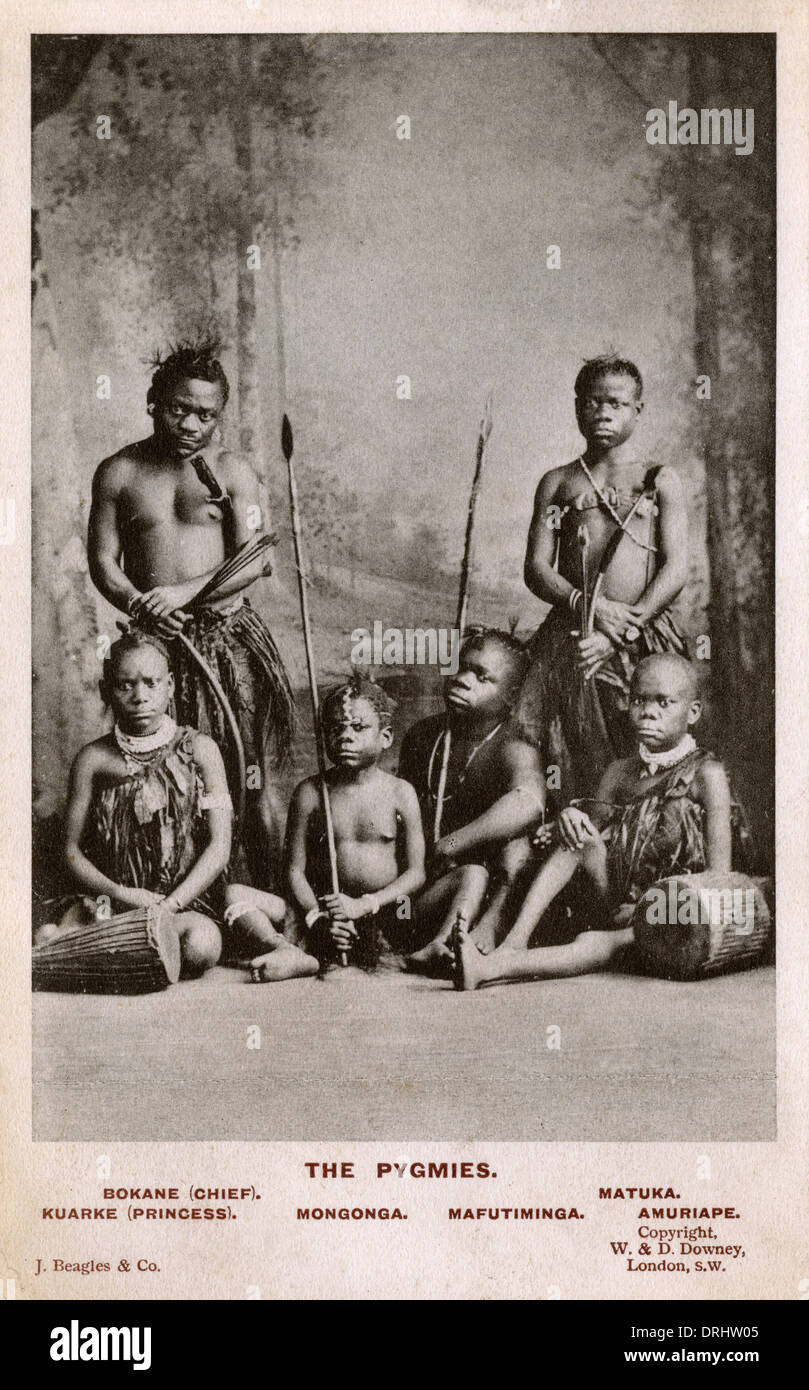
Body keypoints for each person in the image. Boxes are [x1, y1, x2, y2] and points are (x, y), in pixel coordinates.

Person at [87, 333, 294, 885]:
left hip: (227, 638)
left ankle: (275, 907)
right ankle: (184, 903)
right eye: (179, 409)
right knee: (165, 776)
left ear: (218, 418)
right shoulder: (119, 471)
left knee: (249, 773)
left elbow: (257, 560)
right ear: (154, 402)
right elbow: (104, 562)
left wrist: (183, 593)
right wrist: (140, 603)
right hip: (155, 652)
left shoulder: (233, 471)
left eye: (206, 414)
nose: (190, 425)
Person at [453, 653, 753, 990]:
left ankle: (492, 969)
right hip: (614, 898)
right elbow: (590, 844)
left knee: (598, 942)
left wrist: (649, 910)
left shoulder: (706, 775)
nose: (648, 711)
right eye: (639, 700)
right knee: (579, 833)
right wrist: (568, 819)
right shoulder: (619, 772)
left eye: (664, 702)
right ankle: (514, 941)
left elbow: (719, 878)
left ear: (693, 712)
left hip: (675, 917)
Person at [519, 355, 689, 803]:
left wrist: (622, 629)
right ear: (577, 408)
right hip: (572, 638)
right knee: (568, 750)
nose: (601, 413)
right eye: (590, 402)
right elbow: (537, 569)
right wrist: (588, 608)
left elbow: (675, 570)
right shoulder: (558, 483)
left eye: (614, 402)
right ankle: (578, 842)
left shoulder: (659, 480)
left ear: (638, 409)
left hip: (644, 635)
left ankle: (640, 845)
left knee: (646, 743)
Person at [51, 632, 231, 978]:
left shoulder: (202, 750)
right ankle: (107, 947)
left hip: (181, 905)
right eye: (125, 685)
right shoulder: (93, 759)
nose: (140, 697)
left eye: (152, 683)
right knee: (77, 926)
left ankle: (109, 954)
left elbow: (219, 845)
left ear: (171, 686)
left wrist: (169, 905)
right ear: (107, 691)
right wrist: (123, 893)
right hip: (113, 903)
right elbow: (70, 851)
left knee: (201, 945)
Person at [399, 630, 545, 975]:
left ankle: (486, 930)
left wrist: (454, 842)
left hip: (486, 885)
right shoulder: (424, 735)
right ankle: (437, 940)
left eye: (482, 677)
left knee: (520, 846)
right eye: (462, 668)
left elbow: (529, 803)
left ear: (510, 696)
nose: (463, 680)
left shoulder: (515, 744)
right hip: (429, 885)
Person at [284, 674, 426, 971]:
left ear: (385, 737)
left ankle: (430, 948)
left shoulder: (401, 792)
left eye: (359, 727)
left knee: (471, 876)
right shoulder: (310, 793)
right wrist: (318, 918)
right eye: (336, 729)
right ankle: (295, 955)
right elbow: (294, 870)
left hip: (388, 911)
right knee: (238, 895)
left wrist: (367, 903)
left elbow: (416, 874)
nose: (345, 736)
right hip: (330, 914)